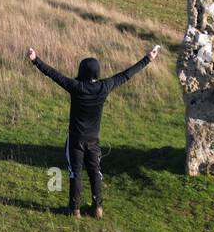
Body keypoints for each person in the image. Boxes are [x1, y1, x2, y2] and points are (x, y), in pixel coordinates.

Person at [27, 44, 162, 218]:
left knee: (75, 173)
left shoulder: (76, 87)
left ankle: (74, 209)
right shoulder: (104, 87)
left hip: (76, 139)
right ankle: (98, 208)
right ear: (97, 73)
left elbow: (54, 75)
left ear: (82, 71)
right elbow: (126, 75)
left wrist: (36, 60)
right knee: (95, 172)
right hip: (94, 139)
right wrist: (148, 59)